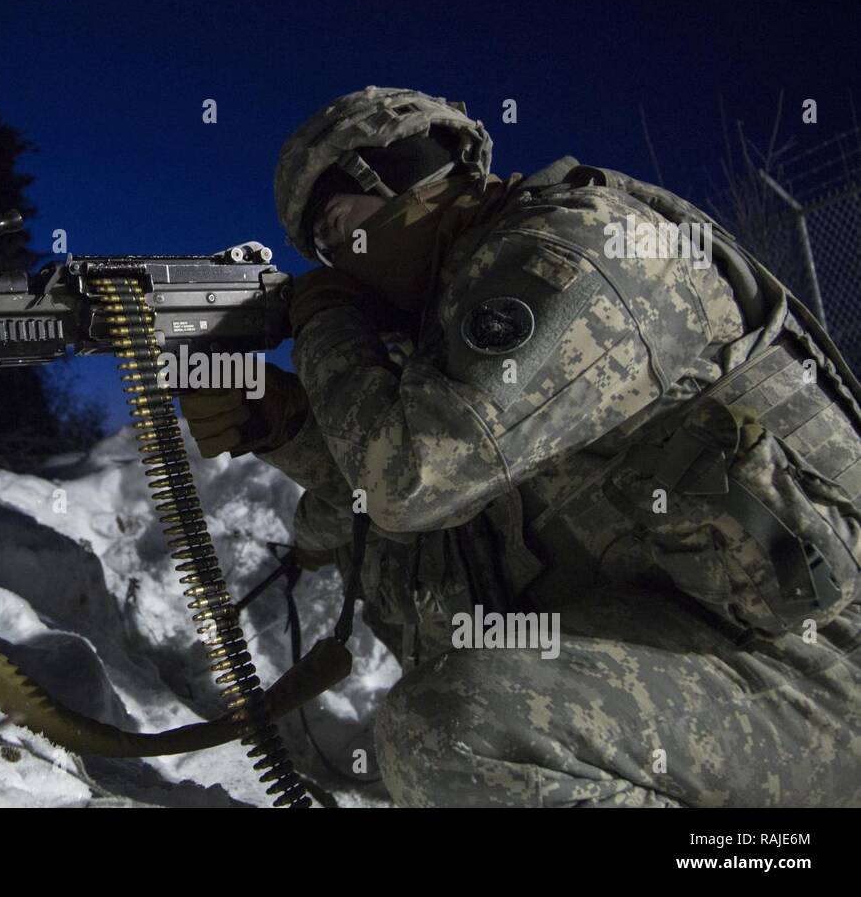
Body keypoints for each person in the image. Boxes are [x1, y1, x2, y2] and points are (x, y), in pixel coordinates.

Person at [180, 86, 861, 806]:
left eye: (336, 231)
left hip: (817, 674)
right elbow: (377, 508)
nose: (338, 267)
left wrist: (323, 314)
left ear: (402, 175)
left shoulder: (575, 249)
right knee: (418, 596)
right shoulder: (454, 325)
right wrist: (285, 426)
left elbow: (412, 480)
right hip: (714, 655)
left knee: (454, 729)